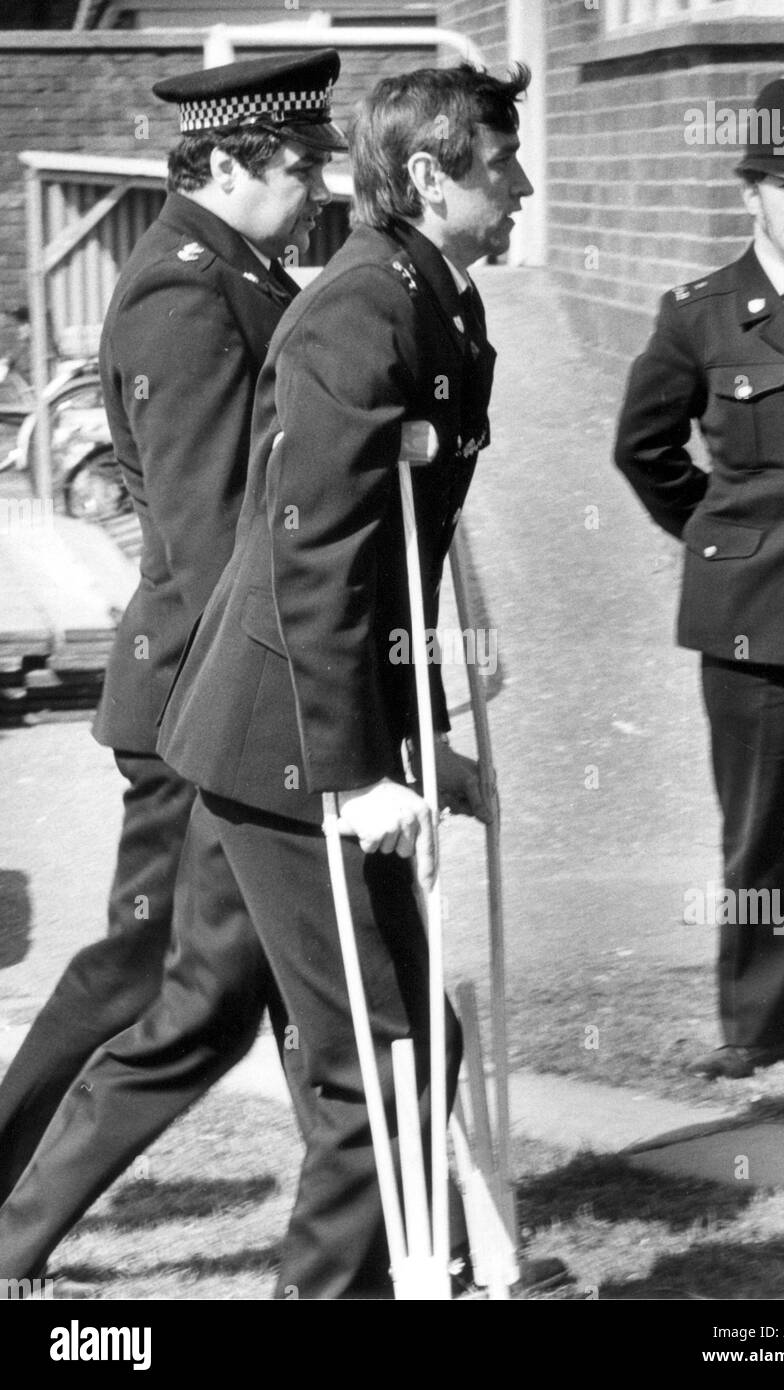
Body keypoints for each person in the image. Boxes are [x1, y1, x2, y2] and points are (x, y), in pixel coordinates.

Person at [0, 60, 534, 1300]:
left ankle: (419, 1258)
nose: (313, 183)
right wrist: (343, 771)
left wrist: (407, 748)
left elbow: (363, 565)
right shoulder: (250, 300)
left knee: (309, 1029)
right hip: (252, 722)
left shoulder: (397, 294)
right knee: (245, 1018)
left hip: (285, 719)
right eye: (291, 162)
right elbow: (250, 546)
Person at [0, 51, 347, 1201]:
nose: (316, 191)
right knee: (150, 976)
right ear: (234, 162)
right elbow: (207, 539)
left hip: (223, 694)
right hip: (203, 700)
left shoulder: (237, 271)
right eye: (301, 166)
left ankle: (391, 1223)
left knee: (278, 972)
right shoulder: (184, 293)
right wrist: (269, 704)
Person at [615, 74, 784, 1079]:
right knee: (754, 833)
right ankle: (756, 1025)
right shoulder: (698, 314)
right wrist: (713, 536)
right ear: (749, 191)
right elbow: (643, 447)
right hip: (745, 617)